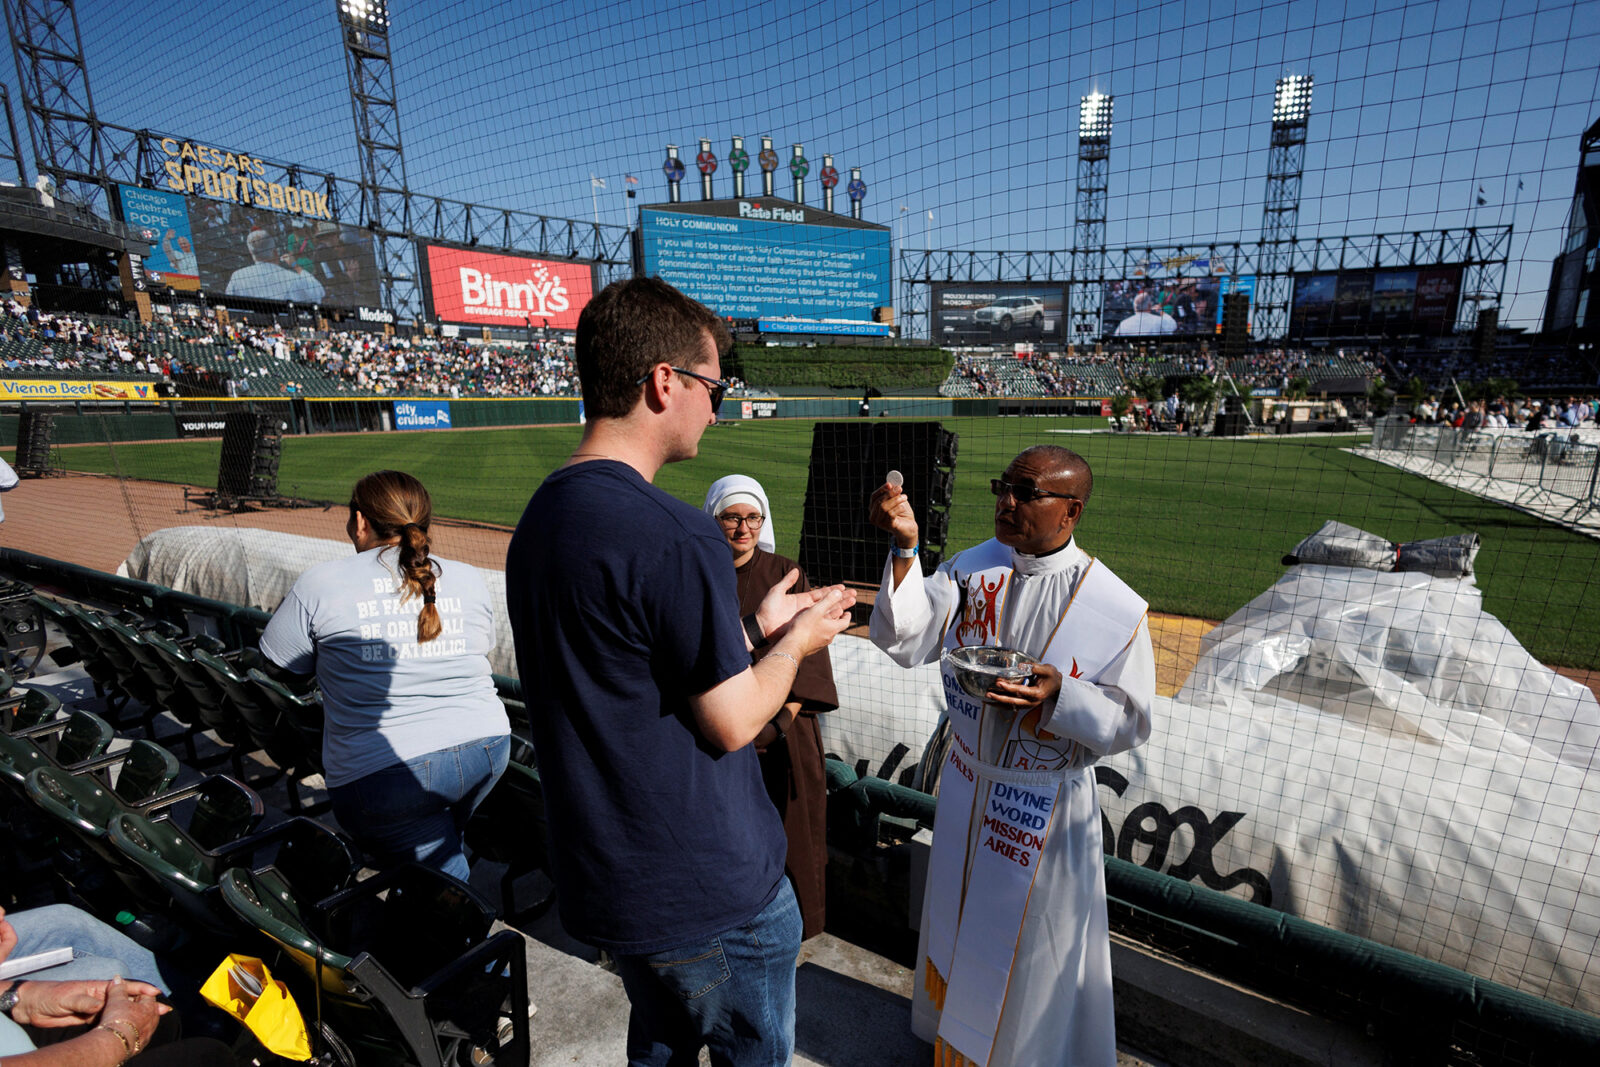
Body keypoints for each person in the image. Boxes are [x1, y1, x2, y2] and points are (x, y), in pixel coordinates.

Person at [505, 277, 855, 1067]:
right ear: (666, 381)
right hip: (708, 889)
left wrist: (751, 629)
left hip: (609, 881)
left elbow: (630, 658)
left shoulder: (542, 516)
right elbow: (733, 721)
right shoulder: (677, 533)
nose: (716, 407)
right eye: (712, 386)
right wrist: (795, 641)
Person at [868, 445, 1155, 1067]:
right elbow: (908, 638)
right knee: (958, 918)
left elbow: (1133, 718)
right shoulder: (974, 568)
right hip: (970, 785)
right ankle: (953, 1044)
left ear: (1071, 510)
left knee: (1031, 948)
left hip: (1045, 807)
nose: (1007, 503)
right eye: (1004, 487)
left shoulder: (1114, 607)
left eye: (1028, 494)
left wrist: (1063, 695)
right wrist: (905, 551)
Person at [260, 470, 509, 881]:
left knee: (440, 879)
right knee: (439, 848)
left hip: (384, 774)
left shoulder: (320, 582)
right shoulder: (468, 576)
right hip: (487, 747)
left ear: (360, 522)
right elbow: (477, 651)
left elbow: (279, 667)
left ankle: (448, 935)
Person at [702, 474, 839, 940]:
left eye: (753, 517)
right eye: (731, 517)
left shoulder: (786, 573)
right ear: (713, 518)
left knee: (792, 838)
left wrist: (775, 726)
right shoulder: (700, 573)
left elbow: (810, 665)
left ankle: (792, 932)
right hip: (719, 733)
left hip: (785, 739)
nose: (744, 528)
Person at [224, 228, 324, 304]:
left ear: (251, 253)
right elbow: (318, 292)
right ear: (275, 252)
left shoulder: (238, 276)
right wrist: (295, 266)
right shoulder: (289, 278)